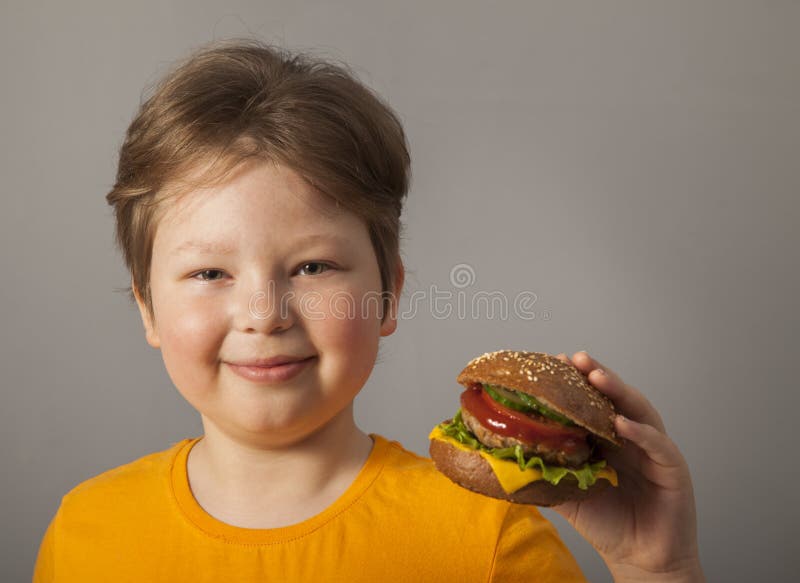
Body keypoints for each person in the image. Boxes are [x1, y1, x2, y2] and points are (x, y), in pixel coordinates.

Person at [33, 38, 705, 582]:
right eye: (209, 271)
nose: (264, 314)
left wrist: (655, 567)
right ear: (147, 307)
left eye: (312, 267)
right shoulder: (85, 532)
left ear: (388, 293)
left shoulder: (492, 543)